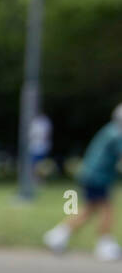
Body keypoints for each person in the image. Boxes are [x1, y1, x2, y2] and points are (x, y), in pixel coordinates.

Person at [43, 103, 122, 261]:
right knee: (106, 209)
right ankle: (104, 245)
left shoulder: (111, 130)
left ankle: (58, 235)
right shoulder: (117, 134)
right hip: (97, 177)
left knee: (90, 209)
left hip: (92, 175)